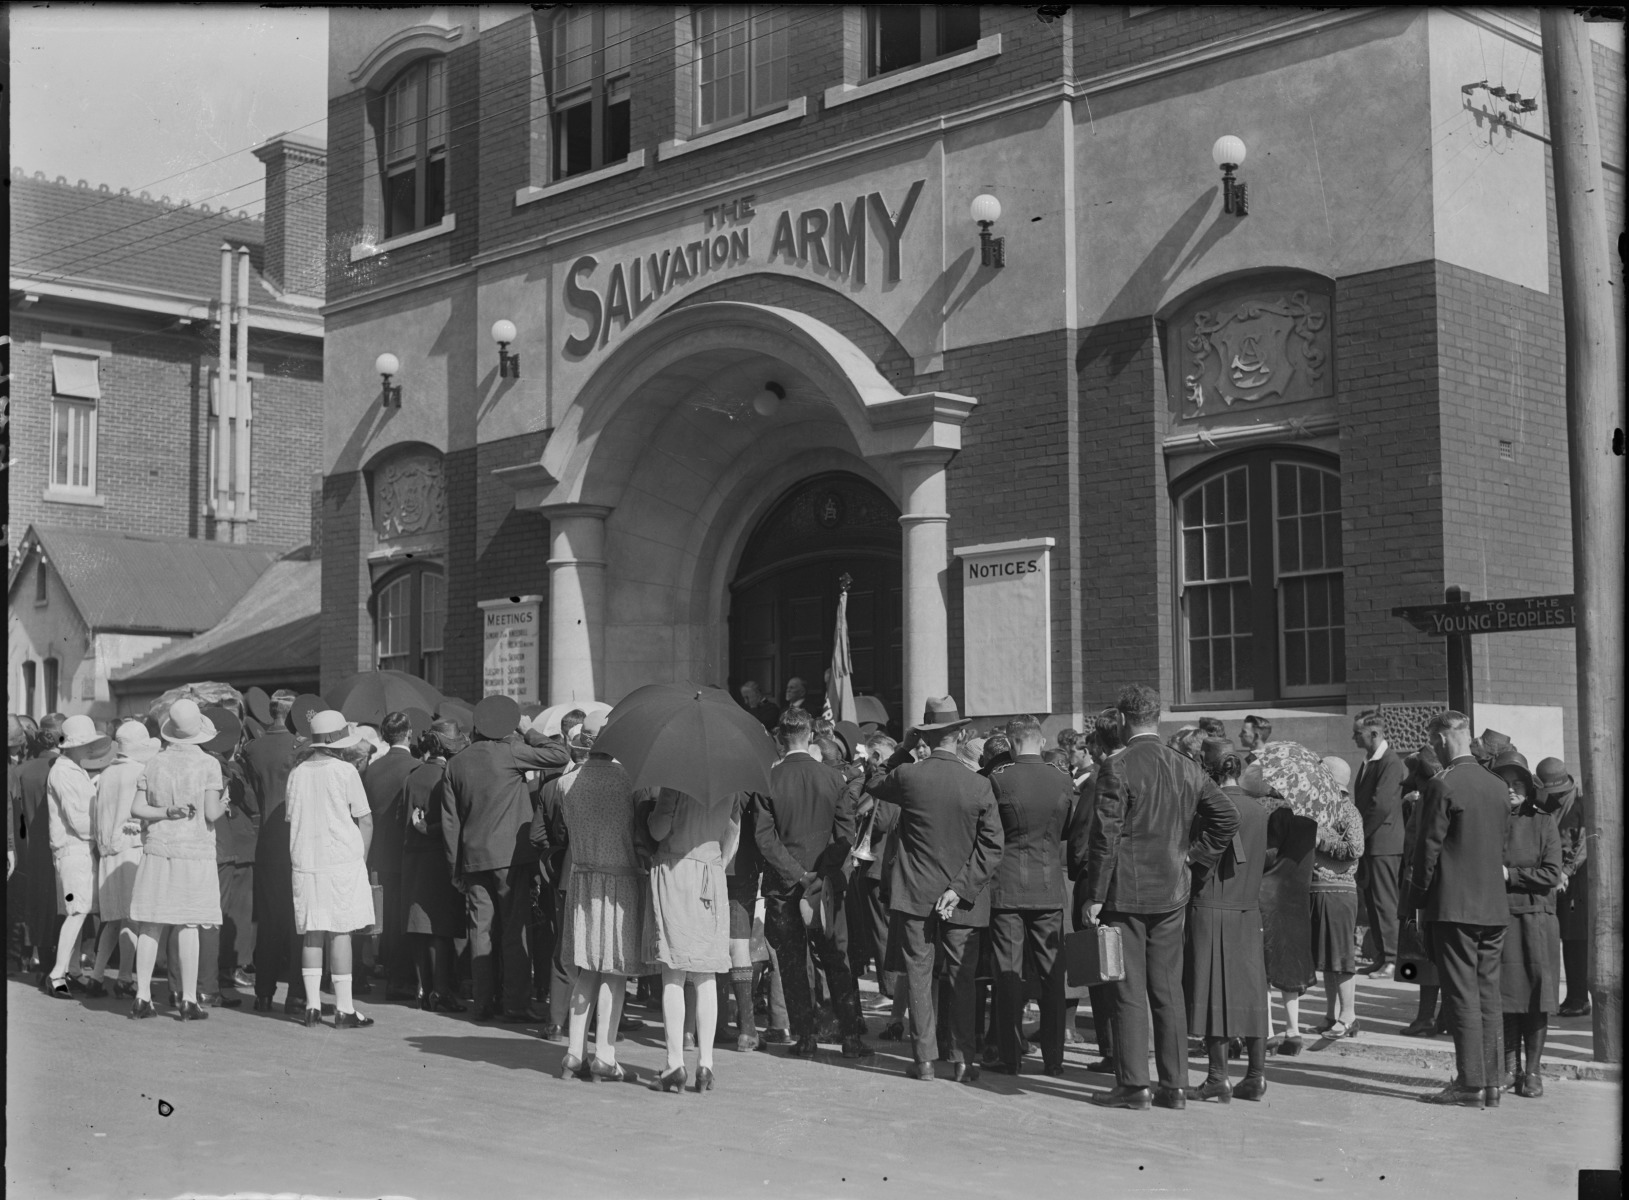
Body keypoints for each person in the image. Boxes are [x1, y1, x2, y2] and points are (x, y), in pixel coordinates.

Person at [1081, 685, 1239, 1110]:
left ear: (1125, 719)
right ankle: (1175, 1085)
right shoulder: (1185, 766)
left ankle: (1135, 1085)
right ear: (1158, 717)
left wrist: (1094, 894)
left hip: (1126, 892)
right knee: (1167, 989)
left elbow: (1106, 836)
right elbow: (1227, 815)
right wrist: (1193, 860)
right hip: (1172, 888)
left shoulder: (1118, 766)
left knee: (1128, 990)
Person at [866, 696, 1003, 1083]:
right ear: (959, 735)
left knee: (919, 975)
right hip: (963, 898)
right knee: (962, 978)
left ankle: (925, 1058)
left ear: (927, 733)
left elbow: (873, 781)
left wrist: (905, 747)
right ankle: (963, 1059)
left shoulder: (910, 775)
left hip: (915, 893)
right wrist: (960, 889)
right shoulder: (978, 784)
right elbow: (993, 846)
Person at [441, 695, 571, 1022]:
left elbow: (450, 821)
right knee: (515, 931)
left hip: (471, 859)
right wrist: (528, 731)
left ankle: (483, 1003)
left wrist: (455, 866)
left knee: (480, 932)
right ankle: (516, 1003)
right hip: (510, 859)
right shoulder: (511, 751)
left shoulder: (456, 762)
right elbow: (560, 756)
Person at [1407, 710, 1511, 1108]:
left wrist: (1416, 901)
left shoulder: (1441, 785)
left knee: (1462, 996)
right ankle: (1492, 1082)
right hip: (1493, 907)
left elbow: (1426, 851)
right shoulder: (1497, 785)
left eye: (1432, 741)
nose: (1431, 747)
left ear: (1441, 739)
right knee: (1488, 994)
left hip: (1453, 907)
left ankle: (1470, 1084)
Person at [756, 706, 870, 1058]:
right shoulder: (834, 778)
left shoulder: (768, 779)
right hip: (826, 885)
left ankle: (806, 1037)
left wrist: (798, 874)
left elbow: (764, 838)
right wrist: (819, 874)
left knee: (792, 963)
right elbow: (845, 835)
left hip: (785, 884)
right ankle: (850, 1037)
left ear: (779, 739)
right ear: (810, 738)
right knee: (837, 958)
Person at [553, 713, 645, 1082]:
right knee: (615, 971)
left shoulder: (566, 783)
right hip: (621, 882)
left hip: (583, 882)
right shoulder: (630, 781)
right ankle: (604, 1053)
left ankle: (575, 1051)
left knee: (586, 969)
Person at [1184, 738, 1275, 1101]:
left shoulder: (1208, 808)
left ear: (1209, 768)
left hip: (1211, 905)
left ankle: (1217, 1076)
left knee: (1212, 991)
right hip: (1247, 907)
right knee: (1252, 991)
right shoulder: (1260, 809)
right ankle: (1255, 1075)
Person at [127, 700, 228, 1021]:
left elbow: (137, 808)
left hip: (158, 848)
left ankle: (142, 996)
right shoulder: (209, 765)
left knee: (151, 922)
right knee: (189, 922)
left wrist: (165, 812)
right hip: (194, 852)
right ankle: (187, 999)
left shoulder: (154, 763)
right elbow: (212, 812)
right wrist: (225, 799)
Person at [986, 715, 1074, 1077]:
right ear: (1040, 740)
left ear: (1011, 742)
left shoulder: (999, 779)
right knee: (1053, 976)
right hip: (1049, 884)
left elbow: (989, 832)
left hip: (1007, 886)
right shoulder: (1063, 779)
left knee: (1007, 973)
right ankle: (1054, 1058)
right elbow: (1067, 830)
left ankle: (1011, 1054)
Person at [283, 710, 377, 1028]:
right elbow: (364, 818)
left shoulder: (297, 773)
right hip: (341, 860)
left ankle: (311, 1005)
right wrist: (360, 857)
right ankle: (344, 1008)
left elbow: (290, 819)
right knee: (340, 932)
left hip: (306, 860)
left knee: (312, 932)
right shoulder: (345, 771)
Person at [645, 786, 740, 1093]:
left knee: (673, 972)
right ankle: (706, 1064)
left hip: (675, 870)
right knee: (706, 972)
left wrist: (649, 815)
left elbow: (658, 830)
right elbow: (733, 834)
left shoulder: (676, 784)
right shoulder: (730, 786)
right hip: (711, 875)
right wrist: (717, 864)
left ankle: (675, 1064)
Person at [1491, 749, 1564, 1098]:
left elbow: (1551, 874)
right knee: (1506, 997)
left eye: (1517, 782)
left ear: (1529, 787)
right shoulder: (1490, 821)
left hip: (1536, 919)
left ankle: (1532, 1072)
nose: (1510, 789)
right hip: (1501, 918)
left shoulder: (1544, 822)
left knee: (1536, 998)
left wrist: (1510, 875)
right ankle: (1510, 1068)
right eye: (1503, 782)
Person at [402, 720, 468, 1013]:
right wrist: (428, 830)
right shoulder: (448, 776)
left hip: (414, 859)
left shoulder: (412, 775)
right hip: (441, 857)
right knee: (441, 928)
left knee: (420, 926)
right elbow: (452, 823)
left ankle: (422, 987)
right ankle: (441, 991)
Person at [45, 716, 114, 997]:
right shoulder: (64, 772)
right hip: (73, 849)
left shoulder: (72, 770)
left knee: (78, 912)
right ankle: (56, 974)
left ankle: (71, 971)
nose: (89, 749)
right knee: (77, 911)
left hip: (78, 850)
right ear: (71, 746)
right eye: (85, 744)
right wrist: (105, 828)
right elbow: (79, 822)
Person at [90, 722, 160, 998]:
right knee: (133, 918)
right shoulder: (140, 772)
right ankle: (124, 977)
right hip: (132, 849)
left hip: (108, 852)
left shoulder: (106, 774)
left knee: (113, 918)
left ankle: (96, 975)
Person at [245, 690, 304, 1014]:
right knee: (297, 920)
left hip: (265, 842)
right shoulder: (301, 748)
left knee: (268, 921)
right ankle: (295, 994)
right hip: (293, 841)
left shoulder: (252, 748)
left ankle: (263, 993)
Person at [363, 711, 420, 1001]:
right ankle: (403, 978)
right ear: (409, 733)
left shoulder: (371, 769)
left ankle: (388, 967)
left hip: (380, 850)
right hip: (408, 850)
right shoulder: (416, 767)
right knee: (405, 915)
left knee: (387, 915)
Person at [1310, 757, 1365, 1038]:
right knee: (1328, 960)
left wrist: (1321, 841)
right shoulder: (1320, 809)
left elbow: (1355, 848)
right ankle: (1331, 1014)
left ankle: (1348, 1016)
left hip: (1339, 890)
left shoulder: (1348, 811)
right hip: (1319, 888)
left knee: (1341, 957)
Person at [1351, 711, 1407, 978]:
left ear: (1374, 734)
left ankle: (1393, 959)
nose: (1353, 737)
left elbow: (1381, 805)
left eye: (1358, 733)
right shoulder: (1371, 761)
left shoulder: (1390, 762)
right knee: (1374, 901)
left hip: (1384, 843)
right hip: (1374, 842)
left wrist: (1358, 834)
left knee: (1385, 902)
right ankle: (1382, 956)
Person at [1397, 750, 1449, 1037]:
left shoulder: (1431, 799)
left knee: (1425, 953)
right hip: (1420, 882)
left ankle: (1429, 1016)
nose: (1411, 784)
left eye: (1415, 777)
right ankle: (1437, 1015)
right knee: (1424, 955)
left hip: (1424, 886)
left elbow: (1425, 847)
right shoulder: (1425, 799)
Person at [1536, 758, 1590, 1016]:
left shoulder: (1580, 804)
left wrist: (1565, 872)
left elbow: (1584, 845)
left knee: (1574, 940)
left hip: (1575, 882)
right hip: (1552, 877)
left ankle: (1578, 998)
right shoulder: (1549, 801)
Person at [15, 714, 66, 978]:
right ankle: (56, 966)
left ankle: (30, 959)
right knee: (60, 906)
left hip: (28, 849)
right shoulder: (67, 770)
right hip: (59, 847)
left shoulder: (21, 771)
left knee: (32, 903)